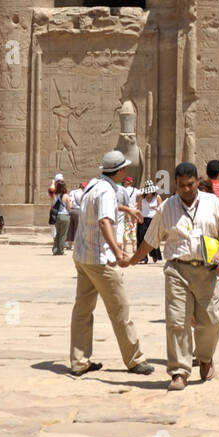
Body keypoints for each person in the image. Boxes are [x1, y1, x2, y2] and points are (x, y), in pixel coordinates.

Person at [132, 162, 219, 391]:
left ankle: (205, 357)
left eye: (190, 184)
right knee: (177, 322)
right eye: (181, 186)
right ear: (175, 185)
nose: (186, 190)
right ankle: (179, 371)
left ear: (198, 181)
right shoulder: (167, 207)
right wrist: (133, 259)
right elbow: (151, 239)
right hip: (177, 270)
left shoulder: (212, 203)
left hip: (207, 271)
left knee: (212, 322)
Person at [70, 151, 154, 377]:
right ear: (118, 170)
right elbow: (105, 220)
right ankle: (135, 359)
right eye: (124, 168)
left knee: (82, 310)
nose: (127, 171)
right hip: (100, 259)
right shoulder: (108, 190)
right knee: (120, 308)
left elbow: (104, 209)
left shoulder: (94, 186)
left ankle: (79, 361)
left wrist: (127, 209)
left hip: (83, 256)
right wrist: (118, 252)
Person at [136, 180, 163, 263]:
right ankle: (142, 257)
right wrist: (138, 218)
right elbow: (139, 208)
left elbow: (162, 208)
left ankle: (155, 255)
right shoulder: (141, 197)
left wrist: (155, 209)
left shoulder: (157, 197)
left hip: (153, 219)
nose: (149, 193)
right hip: (143, 218)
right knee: (141, 237)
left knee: (153, 238)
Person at [49, 178, 73, 254]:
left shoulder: (55, 196)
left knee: (58, 233)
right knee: (63, 234)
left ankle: (55, 249)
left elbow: (52, 206)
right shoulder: (66, 196)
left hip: (57, 216)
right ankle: (60, 250)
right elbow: (69, 207)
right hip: (64, 215)